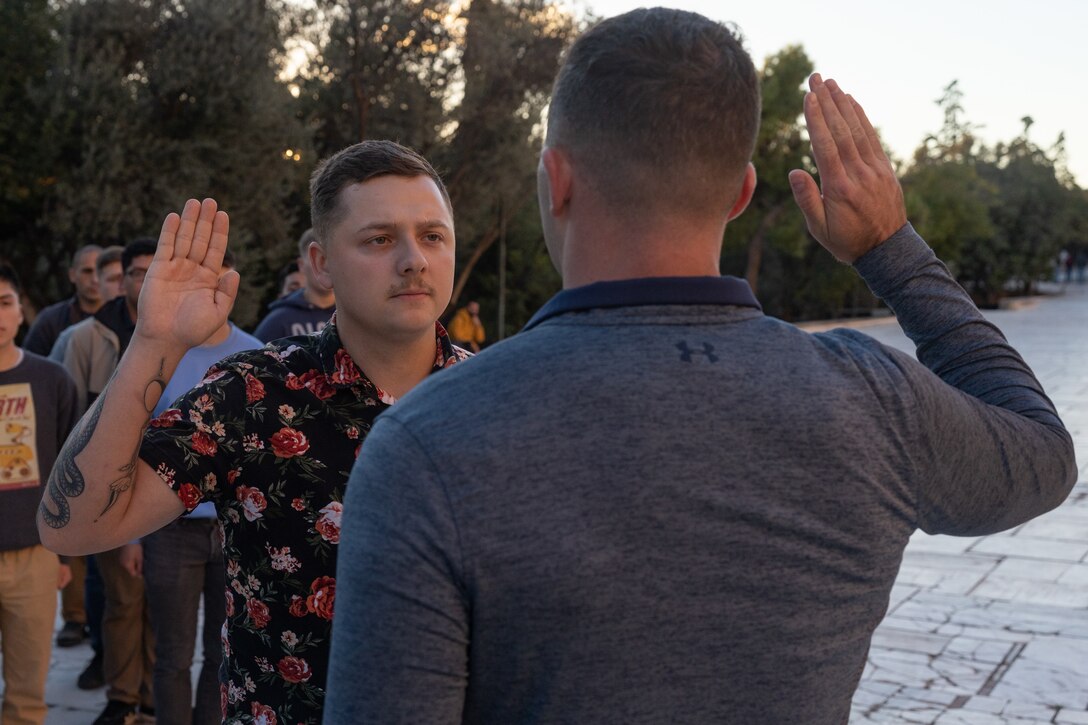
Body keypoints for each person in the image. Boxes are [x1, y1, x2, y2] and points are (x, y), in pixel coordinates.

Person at [324, 9, 1077, 724]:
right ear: (743, 192)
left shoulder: (428, 444)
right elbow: (1042, 451)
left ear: (556, 178)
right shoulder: (871, 403)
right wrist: (891, 247)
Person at [37, 140, 470, 723]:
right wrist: (155, 342)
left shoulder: (494, 401)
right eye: (380, 239)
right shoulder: (254, 393)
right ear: (320, 263)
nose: (414, 260)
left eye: (433, 236)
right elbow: (75, 525)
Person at [129, 250, 261, 725]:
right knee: (173, 655)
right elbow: (132, 444)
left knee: (223, 654)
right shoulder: (159, 354)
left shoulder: (255, 355)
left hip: (234, 530)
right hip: (169, 528)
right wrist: (131, 536)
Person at [61, 239, 159, 724]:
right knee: (122, 599)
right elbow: (69, 417)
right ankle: (123, 698)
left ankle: (152, 695)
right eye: (131, 274)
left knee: (160, 602)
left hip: (165, 488)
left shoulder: (181, 332)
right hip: (106, 490)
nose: (138, 282)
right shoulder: (87, 338)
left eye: (147, 271)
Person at [0, 261, 80, 725]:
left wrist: (63, 557)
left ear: (20, 311)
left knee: (27, 694)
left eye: (5, 302)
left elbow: (71, 475)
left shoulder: (52, 381)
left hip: (33, 555)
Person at [51, 244, 124, 654]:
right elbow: (64, 405)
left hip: (136, 474)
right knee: (93, 568)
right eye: (104, 275)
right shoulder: (67, 331)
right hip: (82, 471)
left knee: (122, 586)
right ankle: (85, 631)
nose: (103, 283)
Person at [253, 229, 335, 342]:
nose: (325, 266)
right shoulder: (278, 321)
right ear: (301, 265)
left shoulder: (356, 313)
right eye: (318, 259)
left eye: (331, 257)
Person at [22, 245, 103, 356]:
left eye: (100, 271)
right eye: (87, 271)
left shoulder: (124, 318)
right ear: (72, 275)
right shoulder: (50, 321)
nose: (95, 279)